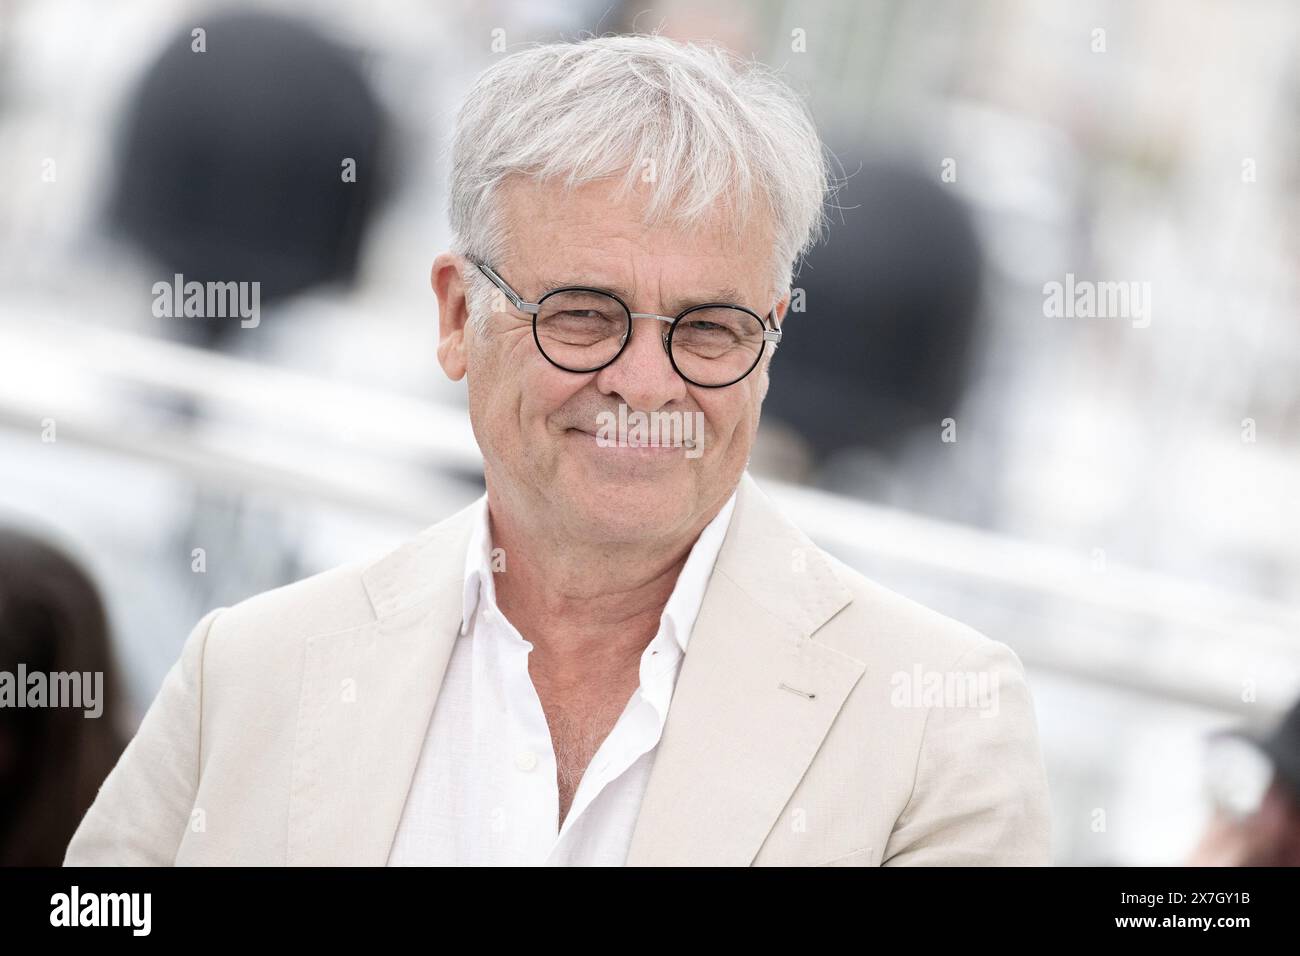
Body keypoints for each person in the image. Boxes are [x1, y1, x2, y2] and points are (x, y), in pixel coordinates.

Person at [64, 34, 1050, 866]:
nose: (648, 382)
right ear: (457, 315)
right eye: (584, 316)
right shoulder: (247, 669)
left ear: (771, 340)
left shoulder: (940, 727)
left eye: (709, 328)